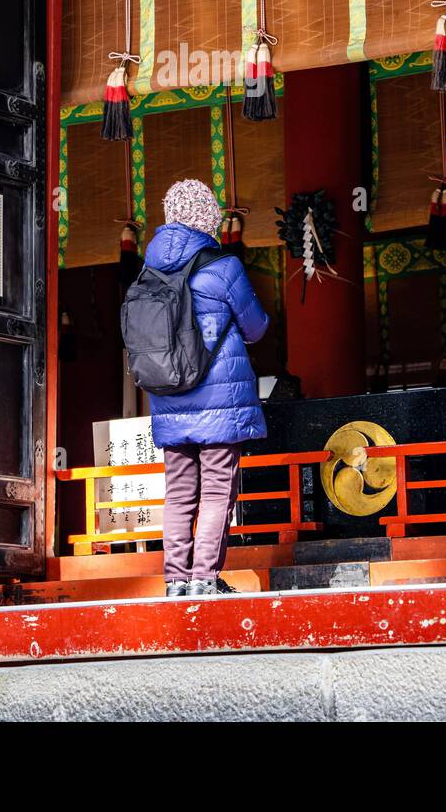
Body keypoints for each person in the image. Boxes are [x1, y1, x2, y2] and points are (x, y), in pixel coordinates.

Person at [143, 178, 269, 598]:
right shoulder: (223, 265)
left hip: (169, 394)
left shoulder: (149, 270)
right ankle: (204, 579)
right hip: (219, 399)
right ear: (208, 217)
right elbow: (255, 328)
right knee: (217, 488)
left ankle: (175, 581)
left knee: (178, 491)